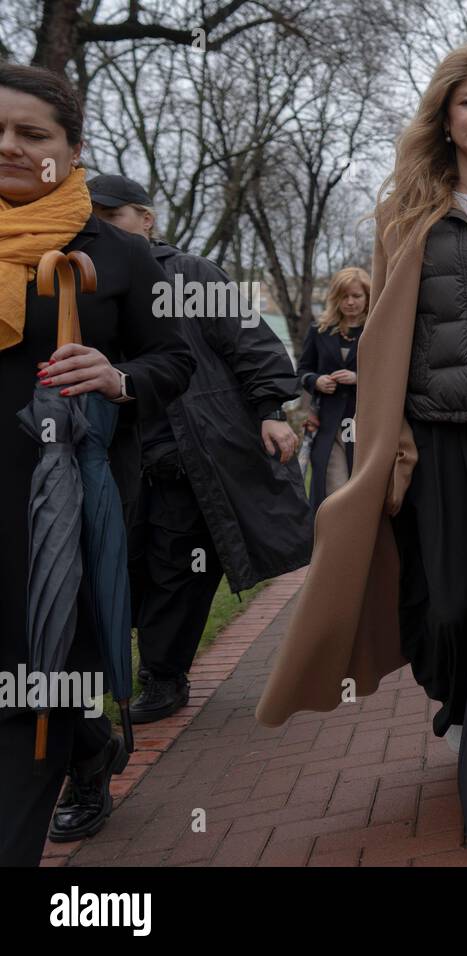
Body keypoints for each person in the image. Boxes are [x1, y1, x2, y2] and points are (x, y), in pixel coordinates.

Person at [255, 43, 467, 858]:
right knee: (447, 605)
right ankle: (461, 704)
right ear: (446, 117)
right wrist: (393, 436)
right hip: (436, 446)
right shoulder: (405, 213)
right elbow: (383, 336)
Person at [0, 65, 193, 864]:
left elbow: (173, 359)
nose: (9, 145)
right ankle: (87, 747)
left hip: (63, 512)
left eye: (32, 135)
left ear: (71, 150)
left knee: (35, 684)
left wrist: (118, 379)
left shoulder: (113, 254)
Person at [83, 173, 311, 730]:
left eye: (113, 218)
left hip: (194, 453)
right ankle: (151, 668)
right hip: (120, 456)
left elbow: (251, 343)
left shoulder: (190, 275)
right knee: (129, 565)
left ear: (146, 218)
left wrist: (268, 412)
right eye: (94, 222)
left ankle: (162, 675)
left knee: (177, 566)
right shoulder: (88, 283)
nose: (102, 230)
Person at [299, 267, 368, 513]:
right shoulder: (320, 330)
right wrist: (316, 381)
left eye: (356, 296)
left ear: (367, 296)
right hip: (329, 426)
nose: (350, 302)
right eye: (344, 296)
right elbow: (303, 371)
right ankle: (329, 547)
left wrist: (360, 378)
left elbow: (392, 373)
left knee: (366, 493)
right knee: (334, 491)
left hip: (368, 426)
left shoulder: (377, 329)